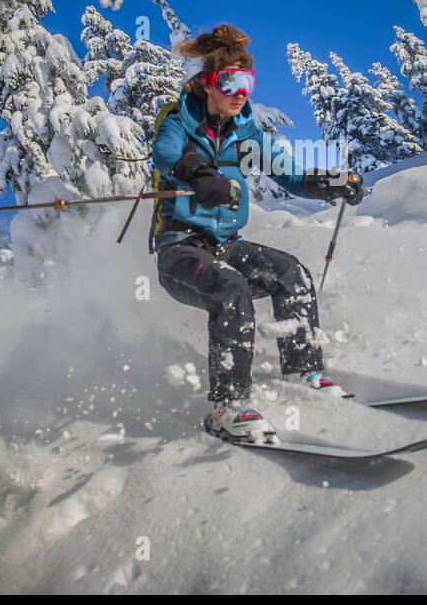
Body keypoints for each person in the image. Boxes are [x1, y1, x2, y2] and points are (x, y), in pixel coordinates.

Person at [149, 24, 364, 444]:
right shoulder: (180, 122)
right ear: (209, 83)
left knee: (292, 275)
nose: (239, 91)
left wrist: (331, 183)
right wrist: (197, 171)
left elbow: (291, 176)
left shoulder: (247, 136)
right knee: (229, 288)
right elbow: (165, 153)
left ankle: (303, 370)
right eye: (229, 81)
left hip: (226, 245)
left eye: (247, 82)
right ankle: (227, 409)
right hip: (181, 252)